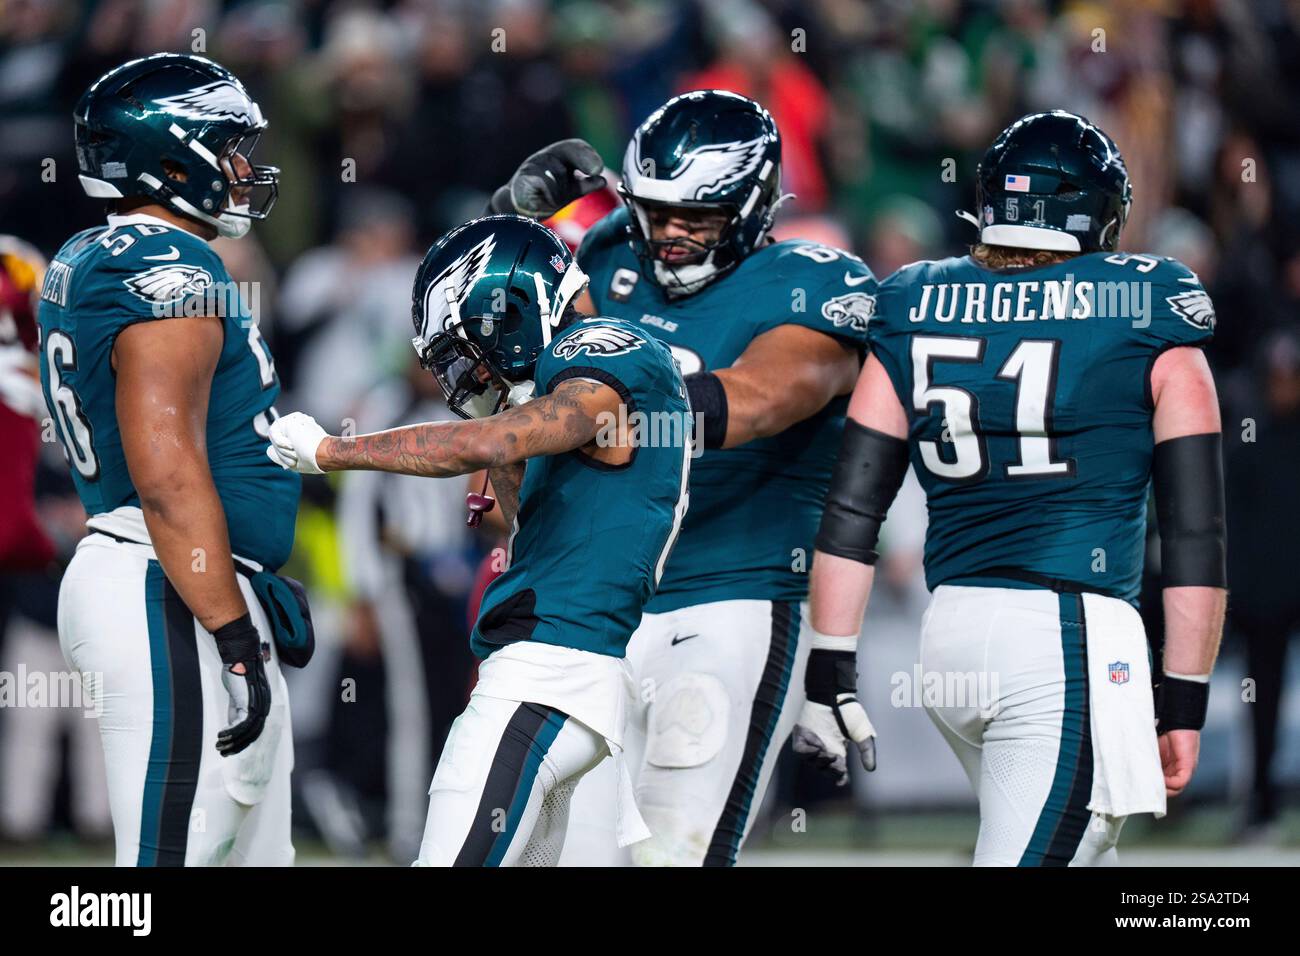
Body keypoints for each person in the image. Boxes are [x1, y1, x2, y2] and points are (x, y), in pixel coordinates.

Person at [806, 111, 1227, 866]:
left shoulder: (916, 302)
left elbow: (851, 509)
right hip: (1064, 639)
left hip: (953, 635)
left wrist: (830, 659)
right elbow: (1196, 536)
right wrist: (1185, 699)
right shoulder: (1146, 305)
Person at [488, 90, 876, 865]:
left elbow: (761, 399)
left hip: (730, 595)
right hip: (598, 601)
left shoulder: (810, 277)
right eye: (655, 211)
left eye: (694, 216)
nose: (668, 233)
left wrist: (597, 410)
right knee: (559, 851)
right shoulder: (604, 253)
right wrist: (513, 226)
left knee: (673, 852)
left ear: (754, 203)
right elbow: (492, 335)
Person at [266, 215, 691, 866]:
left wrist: (330, 449)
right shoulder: (586, 380)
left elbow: (490, 442)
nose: (470, 371)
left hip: (545, 676)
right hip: (586, 677)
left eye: (471, 345)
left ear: (512, 310)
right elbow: (514, 515)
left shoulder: (604, 349)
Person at [38, 53, 304, 866]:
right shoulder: (163, 267)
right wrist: (231, 634)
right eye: (228, 145)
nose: (243, 168)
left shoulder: (100, 253)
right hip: (168, 580)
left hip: (168, 574)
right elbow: (166, 469)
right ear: (172, 154)